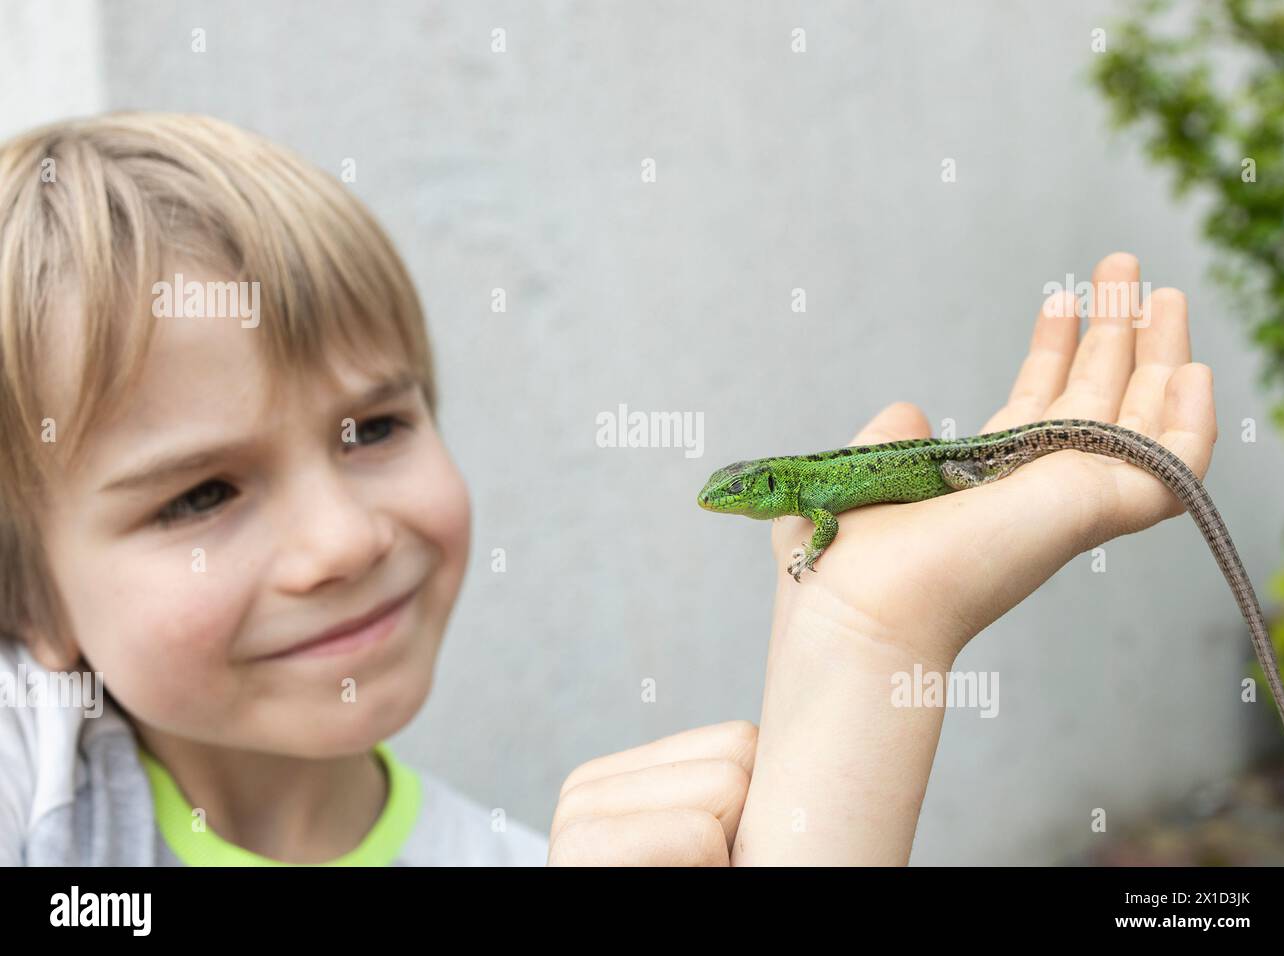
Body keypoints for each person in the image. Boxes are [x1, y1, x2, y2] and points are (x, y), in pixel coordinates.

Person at [0, 113, 1215, 866]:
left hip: (949, 466)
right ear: (31, 604)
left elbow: (845, 522)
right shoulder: (31, 792)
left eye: (372, 425)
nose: (338, 540)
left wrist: (868, 642)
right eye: (200, 494)